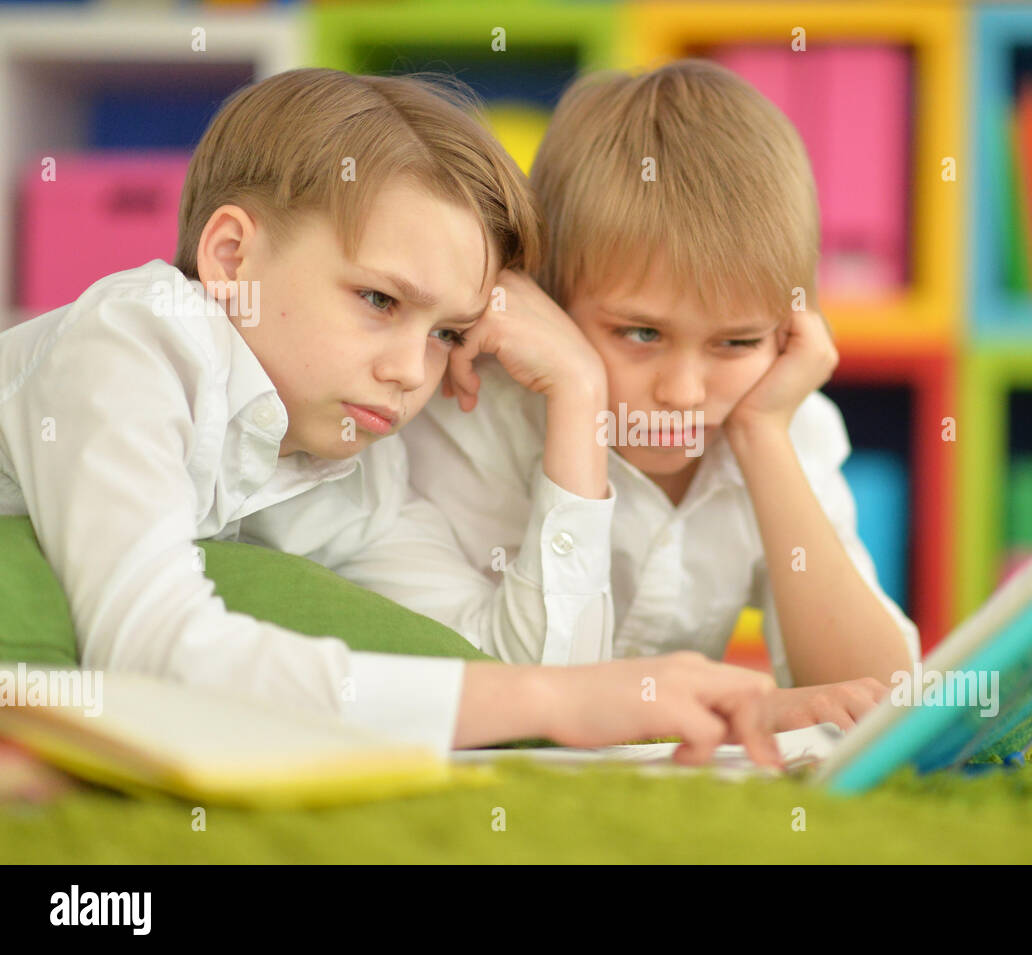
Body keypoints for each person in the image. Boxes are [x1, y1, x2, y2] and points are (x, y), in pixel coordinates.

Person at [0, 67, 786, 767]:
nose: (413, 373)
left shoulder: (358, 465)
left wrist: (579, 392)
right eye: (379, 300)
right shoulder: (133, 345)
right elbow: (145, 648)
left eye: (448, 332)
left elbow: (534, 685)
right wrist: (550, 703)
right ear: (232, 257)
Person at [400, 60, 917, 731]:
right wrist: (580, 397)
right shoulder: (473, 418)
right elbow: (511, 695)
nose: (683, 392)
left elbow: (880, 695)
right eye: (641, 333)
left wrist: (761, 437)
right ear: (548, 298)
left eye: (736, 343)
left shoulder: (781, 417)